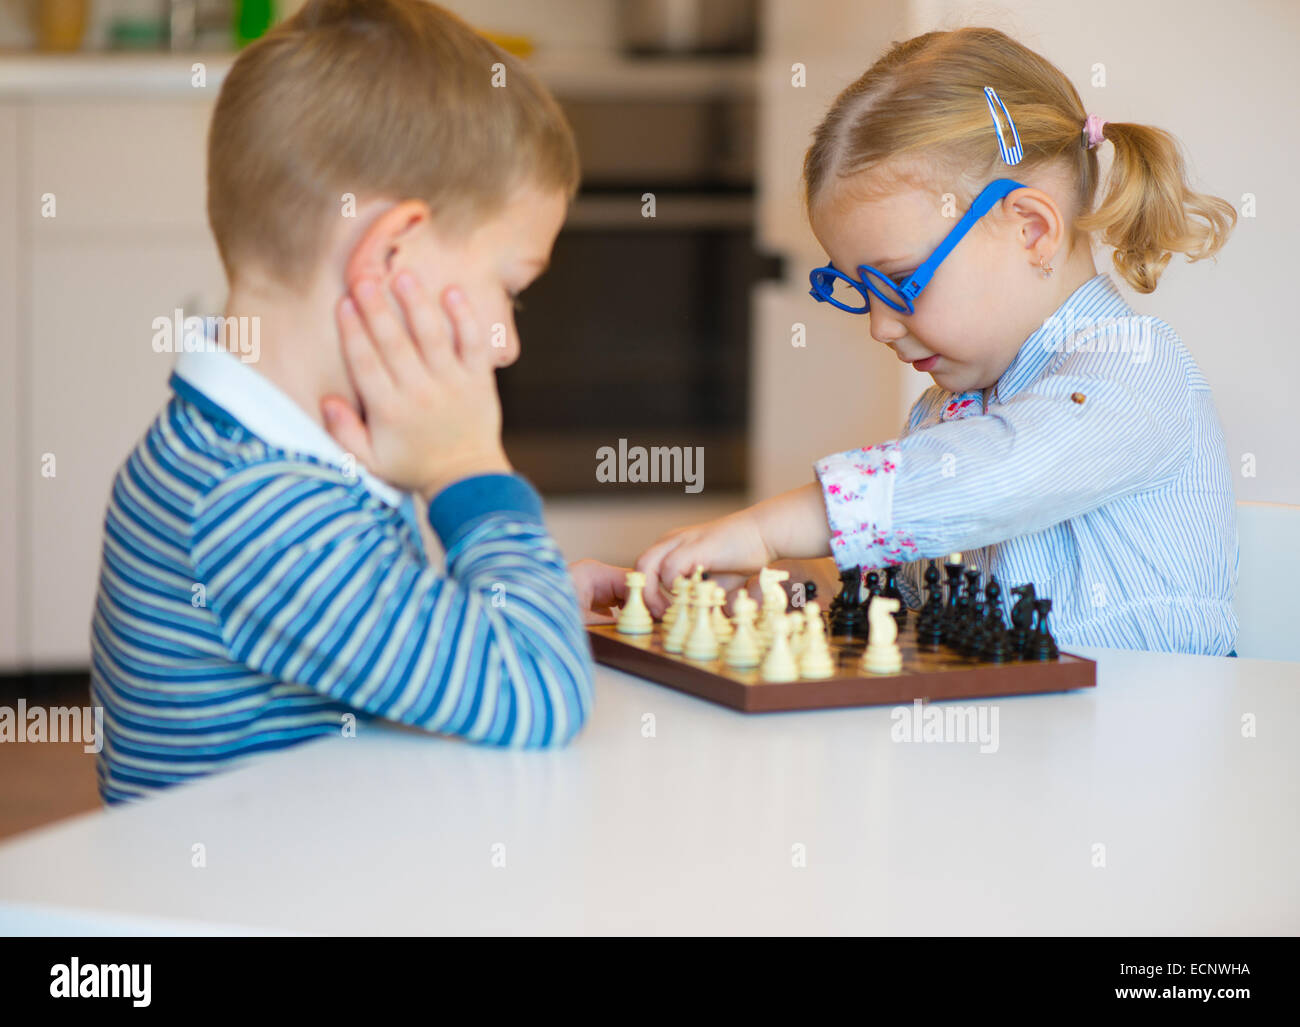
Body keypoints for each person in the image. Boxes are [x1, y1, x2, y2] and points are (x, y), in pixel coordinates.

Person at [577, 26, 1239, 655]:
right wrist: (776, 593)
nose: (880, 325)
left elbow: (999, 474)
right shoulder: (940, 415)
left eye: (898, 281)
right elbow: (901, 596)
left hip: (1141, 764)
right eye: (858, 291)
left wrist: (764, 526)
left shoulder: (1138, 369)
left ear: (1031, 230)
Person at [91, 0, 593, 804]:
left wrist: (537, 590)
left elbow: (392, 633)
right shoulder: (258, 505)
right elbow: (538, 694)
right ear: (392, 251)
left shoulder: (236, 455)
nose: (507, 342)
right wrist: (472, 474)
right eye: (511, 290)